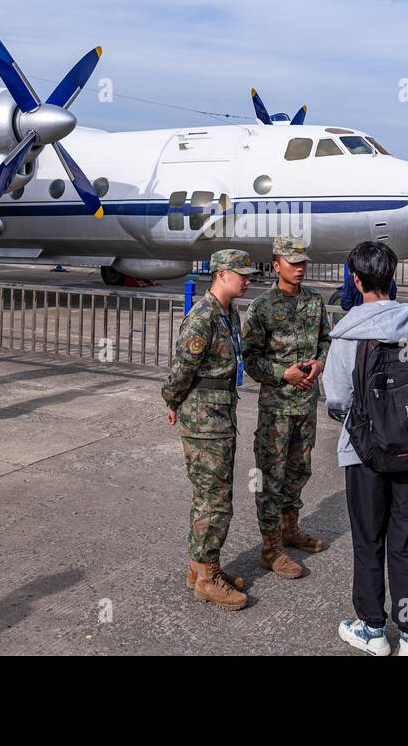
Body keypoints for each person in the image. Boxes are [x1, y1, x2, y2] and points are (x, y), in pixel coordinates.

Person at [324, 240, 408, 656]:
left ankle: (372, 630)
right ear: (392, 279)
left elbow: (337, 398)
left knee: (368, 538)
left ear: (356, 280)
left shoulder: (345, 332)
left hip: (362, 453)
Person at [163, 248, 256, 609]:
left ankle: (197, 568)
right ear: (221, 274)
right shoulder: (203, 317)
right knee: (215, 500)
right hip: (204, 420)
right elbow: (181, 371)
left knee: (209, 496)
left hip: (218, 415)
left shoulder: (227, 312)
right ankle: (208, 577)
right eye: (241, 273)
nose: (248, 279)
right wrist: (173, 402)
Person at [241, 236, 332, 581]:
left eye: (303, 263)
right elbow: (249, 358)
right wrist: (284, 373)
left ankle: (290, 529)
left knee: (299, 469)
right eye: (292, 263)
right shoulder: (262, 307)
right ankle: (270, 546)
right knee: (270, 476)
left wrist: (320, 363)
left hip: (306, 405)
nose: (299, 269)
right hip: (277, 408)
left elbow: (326, 338)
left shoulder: (314, 301)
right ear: (276, 264)